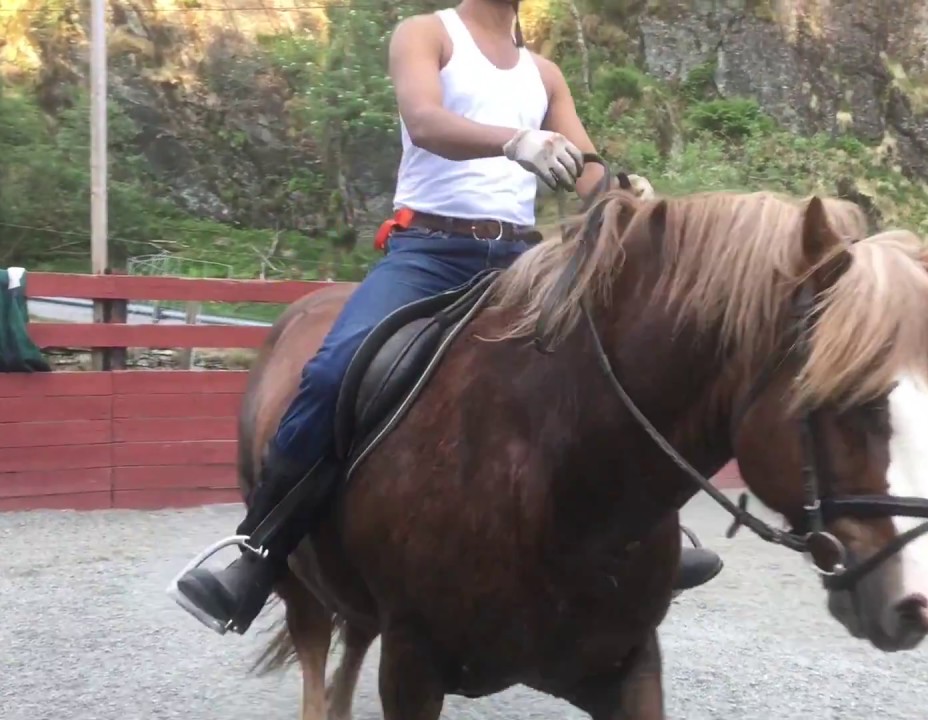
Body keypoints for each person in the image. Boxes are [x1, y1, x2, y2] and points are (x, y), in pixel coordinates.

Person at [168, 0, 724, 636]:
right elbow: (426, 122)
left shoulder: (544, 76)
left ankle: (652, 530)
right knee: (332, 372)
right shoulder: (426, 34)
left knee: (618, 359)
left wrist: (622, 195)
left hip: (521, 259)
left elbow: (587, 168)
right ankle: (259, 549)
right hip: (429, 251)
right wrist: (515, 141)